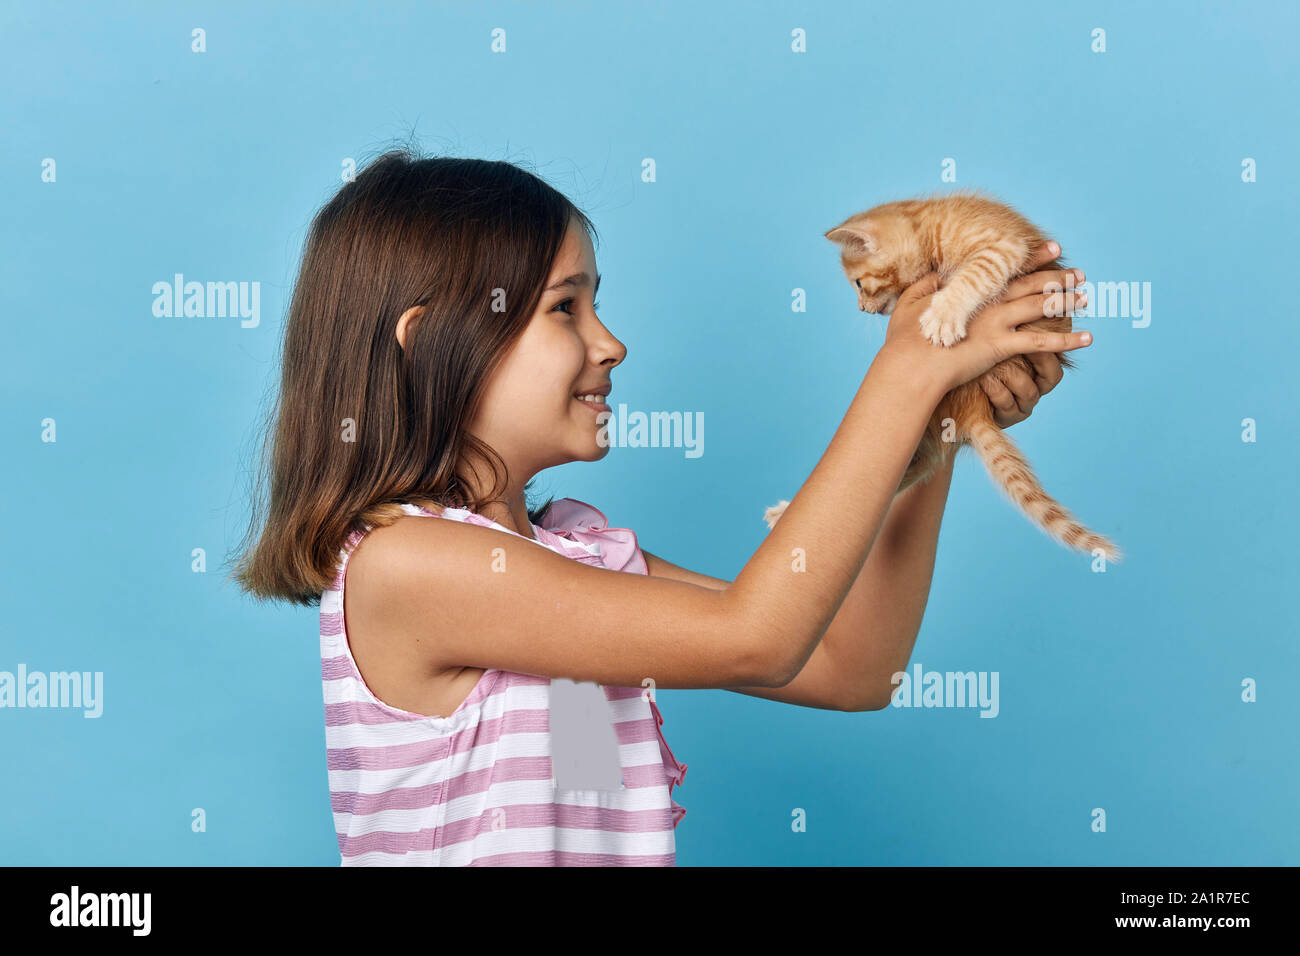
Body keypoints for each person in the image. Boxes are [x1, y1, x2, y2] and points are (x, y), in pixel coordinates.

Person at [232, 149, 1092, 866]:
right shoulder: (407, 565)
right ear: (426, 341)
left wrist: (938, 428)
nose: (611, 342)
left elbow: (851, 669)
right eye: (564, 307)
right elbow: (756, 637)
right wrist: (907, 375)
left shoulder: (581, 555)